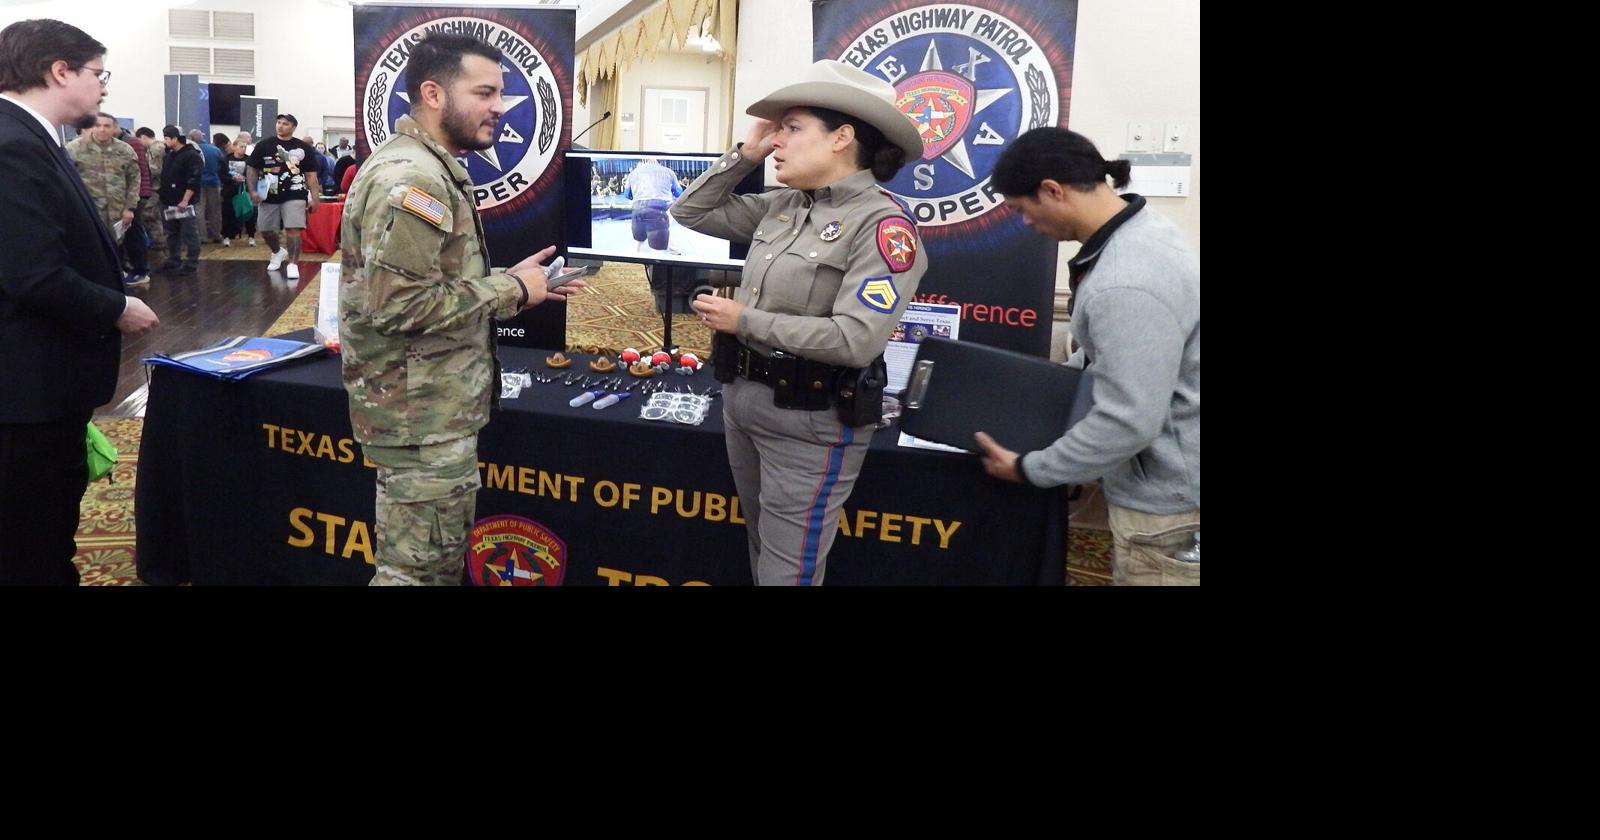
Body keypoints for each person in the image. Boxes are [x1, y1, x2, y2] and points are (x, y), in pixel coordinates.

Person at [339, 31, 585, 586]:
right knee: (416, 573)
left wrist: (509, 279)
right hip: (419, 418)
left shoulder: (427, 166)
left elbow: (425, 284)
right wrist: (513, 291)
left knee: (431, 564)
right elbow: (398, 307)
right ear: (433, 93)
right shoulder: (414, 179)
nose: (499, 106)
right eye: (485, 92)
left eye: (501, 92)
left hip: (426, 411)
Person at [672, 59, 927, 586]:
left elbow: (855, 339)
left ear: (842, 138)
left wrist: (746, 319)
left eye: (791, 129)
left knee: (789, 570)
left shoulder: (883, 225)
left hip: (810, 418)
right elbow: (689, 212)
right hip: (743, 399)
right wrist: (745, 155)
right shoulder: (783, 206)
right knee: (763, 542)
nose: (777, 142)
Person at [973, 127, 1200, 586]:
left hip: (1169, 508)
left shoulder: (1126, 279)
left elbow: (1128, 419)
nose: (1026, 224)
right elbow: (1108, 357)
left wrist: (1029, 469)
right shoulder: (1140, 232)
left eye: (1022, 209)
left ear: (1052, 191)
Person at [0, 18, 160, 585]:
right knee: (31, 541)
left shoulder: (32, 137)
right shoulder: (12, 144)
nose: (104, 87)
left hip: (42, 385)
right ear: (59, 71)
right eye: (98, 73)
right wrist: (117, 307)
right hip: (27, 391)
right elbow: (32, 273)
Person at [64, 111, 138, 286]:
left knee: (115, 249)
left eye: (107, 126)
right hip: (88, 211)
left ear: (114, 128)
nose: (102, 130)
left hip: (117, 212)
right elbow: (65, 180)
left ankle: (115, 284)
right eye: (97, 125)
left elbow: (134, 180)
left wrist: (130, 208)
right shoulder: (74, 149)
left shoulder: (125, 150)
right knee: (89, 249)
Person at [246, 112, 320, 279]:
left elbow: (311, 175)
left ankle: (293, 263)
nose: (281, 126)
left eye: (285, 123)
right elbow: (251, 168)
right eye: (279, 122)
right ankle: (277, 251)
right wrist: (252, 190)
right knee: (266, 229)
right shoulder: (264, 145)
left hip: (295, 192)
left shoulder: (304, 148)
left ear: (293, 127)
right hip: (269, 193)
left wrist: (315, 198)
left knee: (293, 229)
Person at [155, 124, 201, 274]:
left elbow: (193, 179)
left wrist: (185, 200)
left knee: (189, 232)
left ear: (175, 139)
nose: (164, 141)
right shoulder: (170, 155)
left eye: (167, 138)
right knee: (171, 232)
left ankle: (191, 262)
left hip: (183, 203)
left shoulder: (191, 155)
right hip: (168, 201)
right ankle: (174, 259)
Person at [624, 156, 682, 254]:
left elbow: (627, 195)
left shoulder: (633, 173)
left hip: (638, 210)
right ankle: (672, 251)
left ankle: (674, 250)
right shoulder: (668, 172)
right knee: (658, 247)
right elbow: (678, 192)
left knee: (638, 241)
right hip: (659, 210)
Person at [190, 128, 223, 242]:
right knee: (215, 210)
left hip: (197, 184)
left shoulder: (192, 151)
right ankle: (216, 234)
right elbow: (222, 166)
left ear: (192, 138)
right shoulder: (215, 150)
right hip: (214, 182)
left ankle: (202, 237)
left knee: (199, 210)